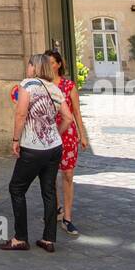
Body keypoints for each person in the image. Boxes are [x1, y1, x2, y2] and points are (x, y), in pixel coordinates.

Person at [1, 54, 64, 253]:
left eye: (29, 64)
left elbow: (21, 114)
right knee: (49, 191)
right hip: (54, 147)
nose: (27, 67)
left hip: (33, 147)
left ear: (34, 67)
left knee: (16, 189)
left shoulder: (27, 85)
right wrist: (54, 134)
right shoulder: (54, 88)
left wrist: (15, 139)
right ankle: (48, 239)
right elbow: (68, 118)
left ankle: (20, 238)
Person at [45, 49, 88, 237]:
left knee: (68, 175)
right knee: (49, 175)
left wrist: (82, 134)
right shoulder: (43, 86)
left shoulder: (69, 86)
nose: (50, 66)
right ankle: (55, 209)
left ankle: (68, 217)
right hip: (48, 135)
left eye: (52, 62)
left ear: (59, 64)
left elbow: (77, 112)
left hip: (67, 135)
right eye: (47, 62)